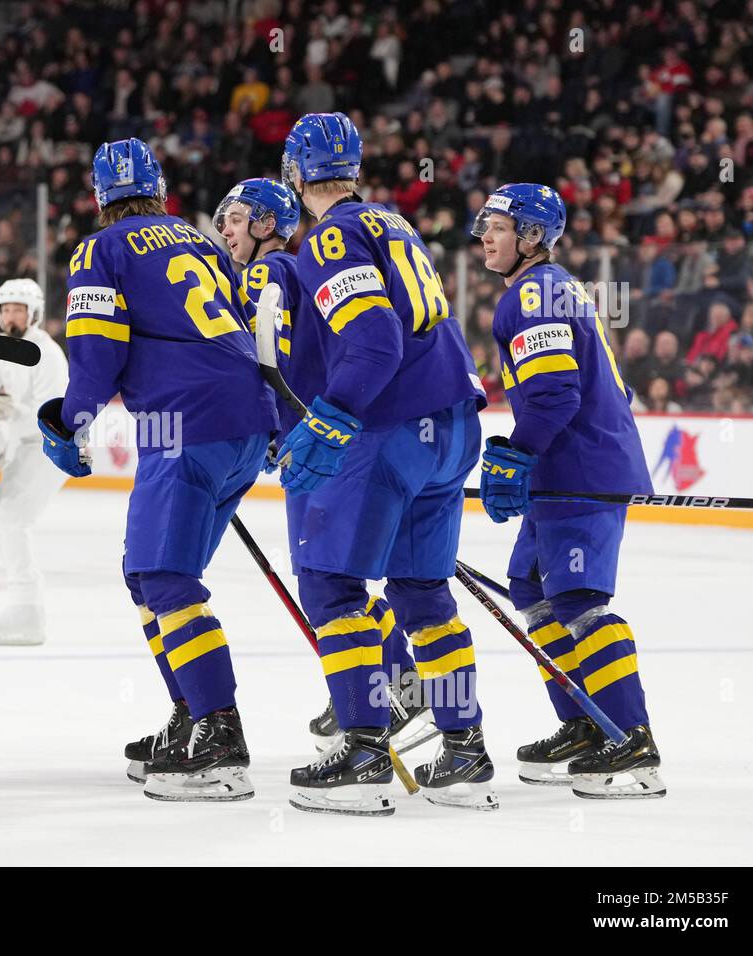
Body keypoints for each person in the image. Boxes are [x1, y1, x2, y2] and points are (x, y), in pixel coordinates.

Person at [37, 137, 277, 801]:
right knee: (145, 572)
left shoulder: (100, 250)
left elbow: (96, 354)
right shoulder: (201, 241)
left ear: (98, 197)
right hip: (244, 423)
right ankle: (191, 715)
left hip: (187, 428)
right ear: (160, 190)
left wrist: (69, 421)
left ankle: (219, 734)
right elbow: (248, 330)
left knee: (165, 577)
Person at [278, 113, 490, 815]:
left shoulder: (331, 235)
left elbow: (373, 341)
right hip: (454, 420)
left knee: (331, 584)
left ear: (297, 173)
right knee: (423, 595)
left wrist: (331, 415)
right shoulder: (391, 222)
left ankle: (364, 747)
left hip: (394, 425)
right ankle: (464, 748)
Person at [214, 176, 428, 752]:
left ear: (265, 224)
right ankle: (395, 687)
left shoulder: (269, 271)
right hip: (320, 432)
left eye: (236, 219)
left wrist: (265, 423)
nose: (225, 230)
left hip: (316, 440)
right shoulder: (295, 266)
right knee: (337, 582)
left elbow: (262, 360)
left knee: (328, 584)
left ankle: (377, 700)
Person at [474, 183, 665, 799]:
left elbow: (556, 392)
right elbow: (605, 389)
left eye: (498, 228)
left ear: (531, 237)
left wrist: (518, 452)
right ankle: (585, 720)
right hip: (570, 469)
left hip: (578, 472)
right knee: (530, 587)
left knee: (580, 603)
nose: (484, 237)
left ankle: (630, 740)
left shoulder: (533, 291)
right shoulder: (555, 287)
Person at [0, 277, 68, 645]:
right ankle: (25, 607)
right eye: (4, 309)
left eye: (17, 308)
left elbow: (51, 412)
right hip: (26, 443)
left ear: (33, 312)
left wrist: (9, 411)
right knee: (2, 518)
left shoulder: (46, 354)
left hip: (51, 445)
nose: (9, 316)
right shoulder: (1, 349)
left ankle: (28, 610)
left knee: (10, 519)